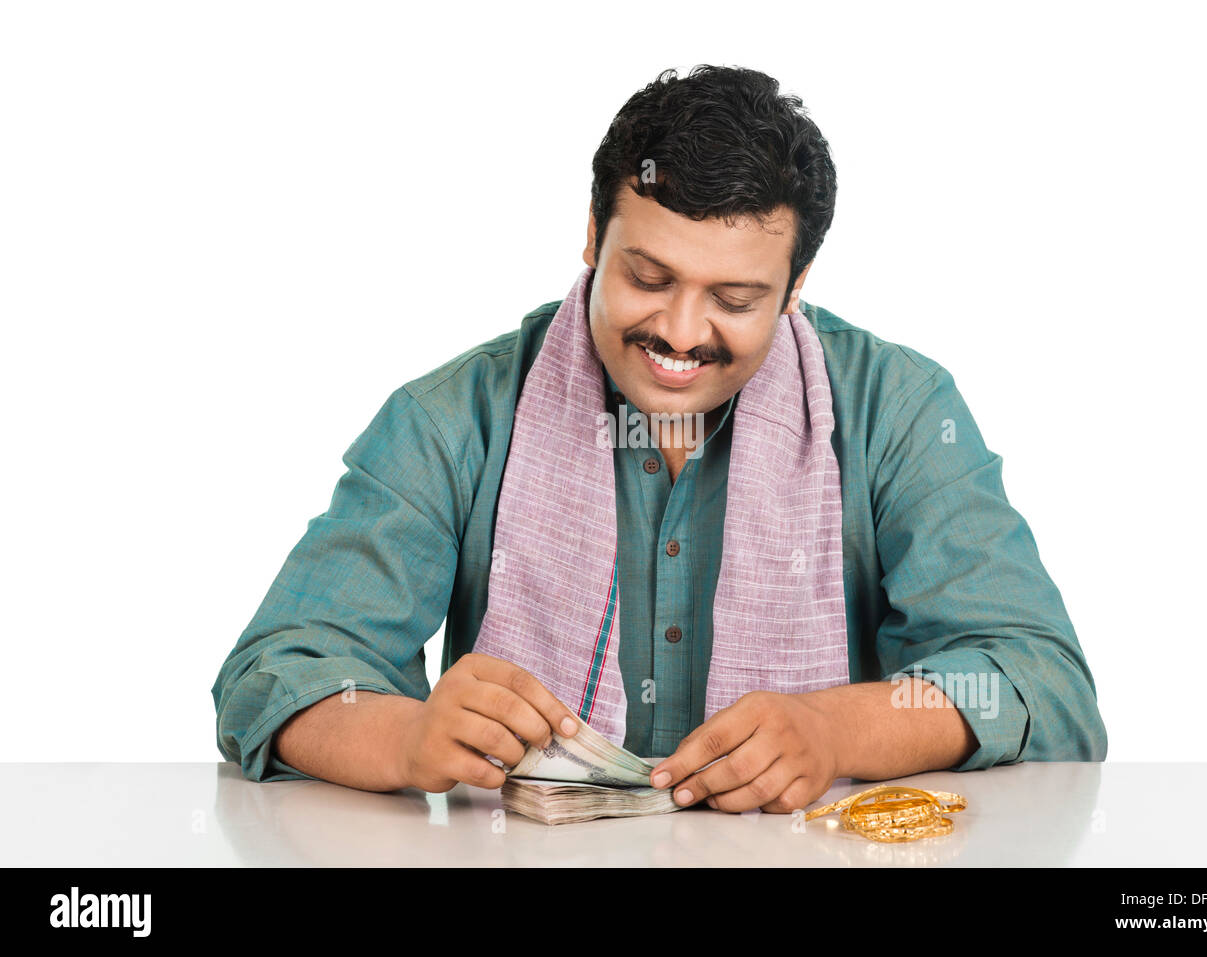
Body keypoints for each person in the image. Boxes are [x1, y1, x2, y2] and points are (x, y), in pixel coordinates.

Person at [212, 64, 1106, 815]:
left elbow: (1039, 679)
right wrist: (409, 735)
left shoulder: (899, 409)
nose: (682, 330)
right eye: (649, 276)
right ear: (594, 235)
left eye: (735, 298)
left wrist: (836, 728)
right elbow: (275, 672)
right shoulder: (457, 414)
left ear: (795, 287)